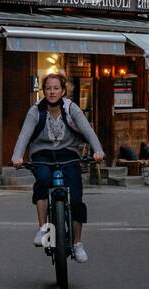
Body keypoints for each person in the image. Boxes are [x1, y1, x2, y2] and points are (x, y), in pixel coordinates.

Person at [11, 72, 104, 263]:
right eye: (48, 88)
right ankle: (43, 229)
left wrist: (98, 151)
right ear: (43, 90)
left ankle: (77, 243)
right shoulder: (35, 111)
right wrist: (17, 156)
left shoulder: (72, 110)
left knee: (76, 197)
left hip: (68, 154)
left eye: (55, 88)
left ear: (63, 90)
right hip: (42, 155)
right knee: (43, 181)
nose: (51, 92)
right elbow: (24, 136)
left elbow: (88, 131)